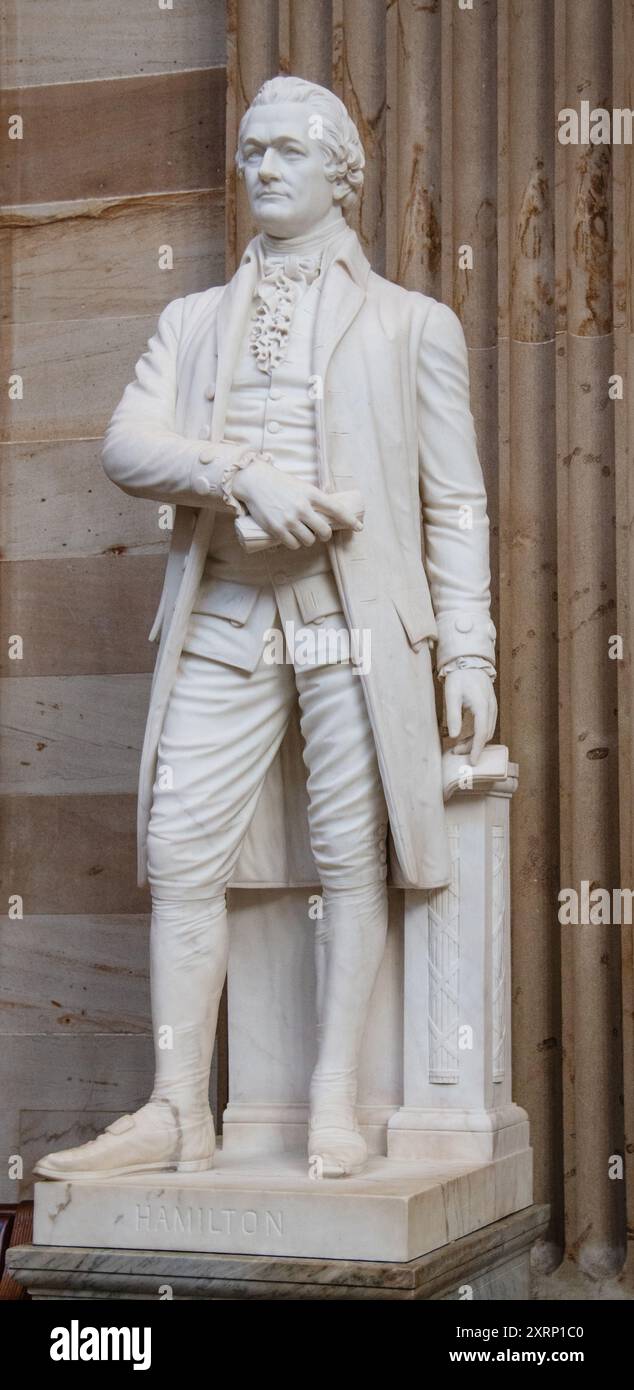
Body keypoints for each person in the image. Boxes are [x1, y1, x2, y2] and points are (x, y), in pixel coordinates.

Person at [34, 76, 497, 1183]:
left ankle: (332, 1098)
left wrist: (468, 648)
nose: (263, 171)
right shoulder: (190, 321)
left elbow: (455, 501)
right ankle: (175, 1107)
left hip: (350, 617)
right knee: (178, 847)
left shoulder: (412, 325)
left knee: (351, 856)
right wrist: (241, 475)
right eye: (249, 154)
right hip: (227, 609)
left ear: (342, 172)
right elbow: (128, 442)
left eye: (288, 152)